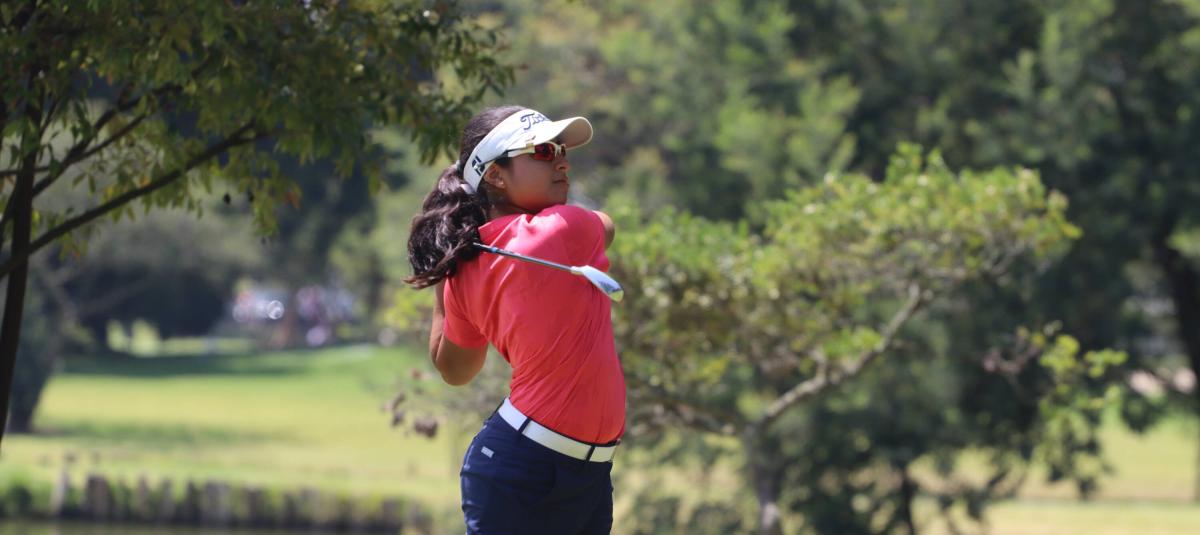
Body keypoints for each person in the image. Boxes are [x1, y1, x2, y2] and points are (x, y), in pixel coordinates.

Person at [405, 106, 626, 534]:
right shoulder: (564, 229)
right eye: (543, 151)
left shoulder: (468, 267)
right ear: (495, 175)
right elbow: (608, 225)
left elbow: (455, 368)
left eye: (561, 149)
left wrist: (445, 271)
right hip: (529, 468)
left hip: (573, 471)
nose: (561, 160)